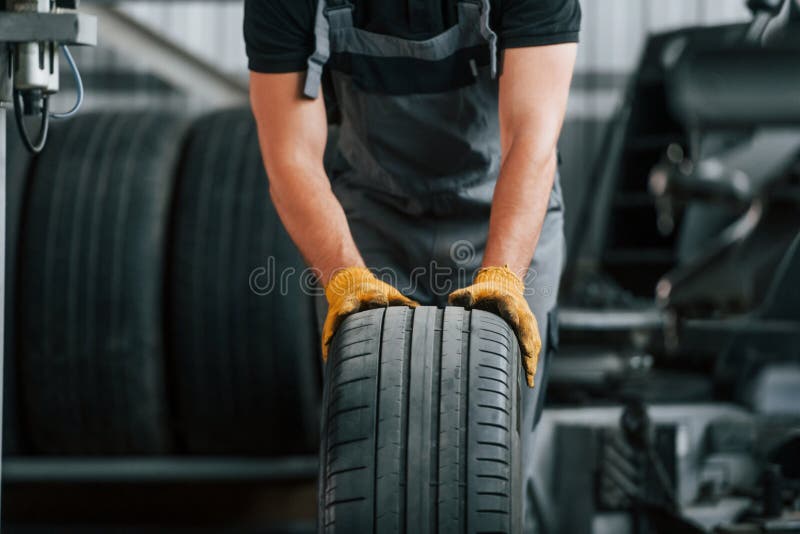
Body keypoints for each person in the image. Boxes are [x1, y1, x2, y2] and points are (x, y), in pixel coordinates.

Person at [246, 0, 579, 529]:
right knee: (365, 440)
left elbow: (532, 138)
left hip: (505, 209)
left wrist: (504, 276)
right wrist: (345, 274)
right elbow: (290, 156)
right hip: (371, 219)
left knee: (494, 452)